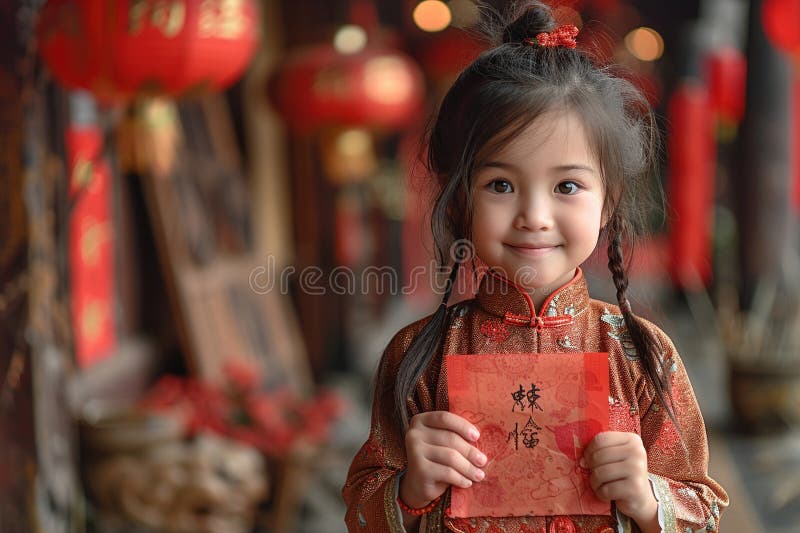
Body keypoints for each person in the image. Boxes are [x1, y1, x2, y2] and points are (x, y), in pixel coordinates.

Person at [342, 2, 728, 531]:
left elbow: (703, 509)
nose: (534, 217)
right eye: (501, 185)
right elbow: (361, 509)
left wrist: (648, 496)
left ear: (608, 201)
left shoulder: (641, 354)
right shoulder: (418, 357)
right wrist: (409, 489)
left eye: (567, 186)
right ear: (460, 201)